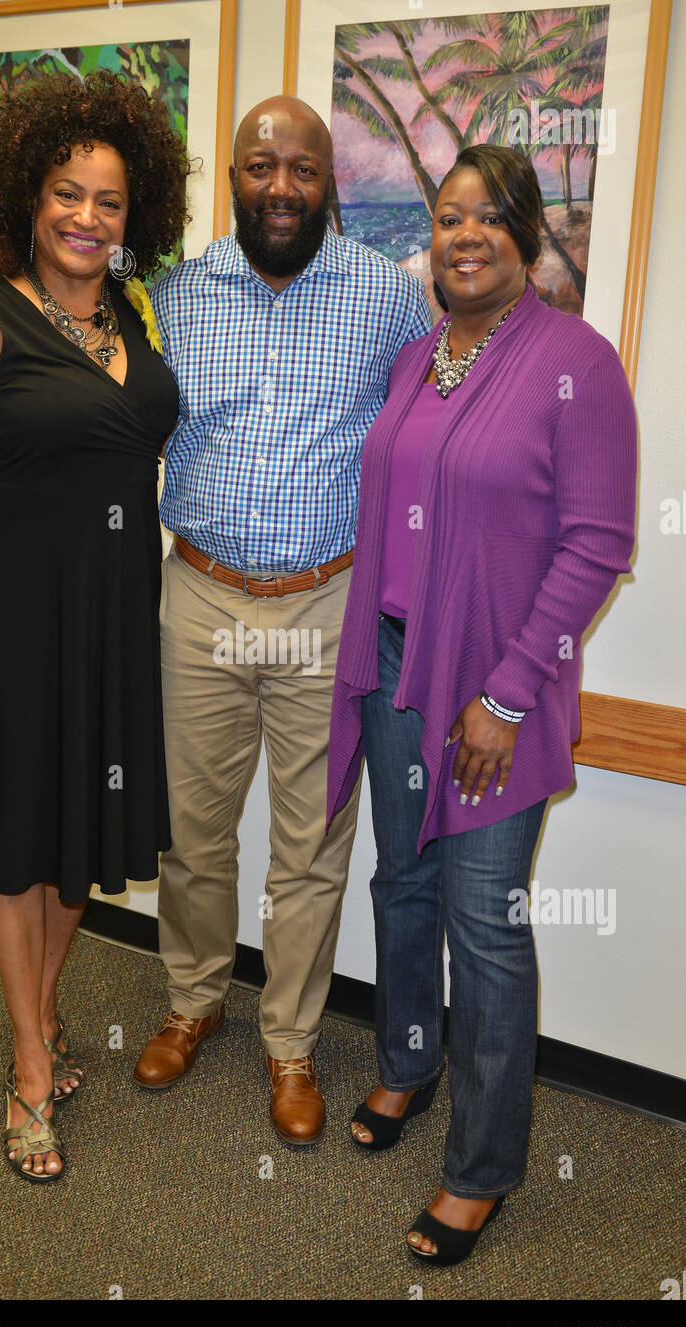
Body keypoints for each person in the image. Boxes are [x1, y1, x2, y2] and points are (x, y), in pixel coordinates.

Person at [327, 144, 637, 1261]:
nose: (464, 235)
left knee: (487, 925)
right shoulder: (418, 361)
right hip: (402, 673)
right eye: (448, 216)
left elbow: (598, 548)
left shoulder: (578, 363)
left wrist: (504, 698)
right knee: (402, 884)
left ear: (528, 233)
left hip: (497, 690)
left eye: (488, 217)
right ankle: (409, 1062)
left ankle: (484, 1167)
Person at [132, 96, 431, 1144]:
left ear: (328, 181)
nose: (282, 188)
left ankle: (292, 1041)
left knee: (310, 845)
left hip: (326, 601)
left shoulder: (387, 299)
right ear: (235, 174)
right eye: (263, 166)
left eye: (302, 168)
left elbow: (443, 412)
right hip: (202, 594)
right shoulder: (173, 291)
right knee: (192, 830)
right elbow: (94, 381)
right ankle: (191, 997)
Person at [0, 70, 186, 1182]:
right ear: (29, 198)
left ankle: (37, 1012)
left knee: (78, 852)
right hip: (17, 633)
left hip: (118, 629)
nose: (87, 217)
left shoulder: (133, 311)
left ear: (136, 216)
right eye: (67, 193)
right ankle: (32, 1062)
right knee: (20, 839)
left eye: (110, 200)